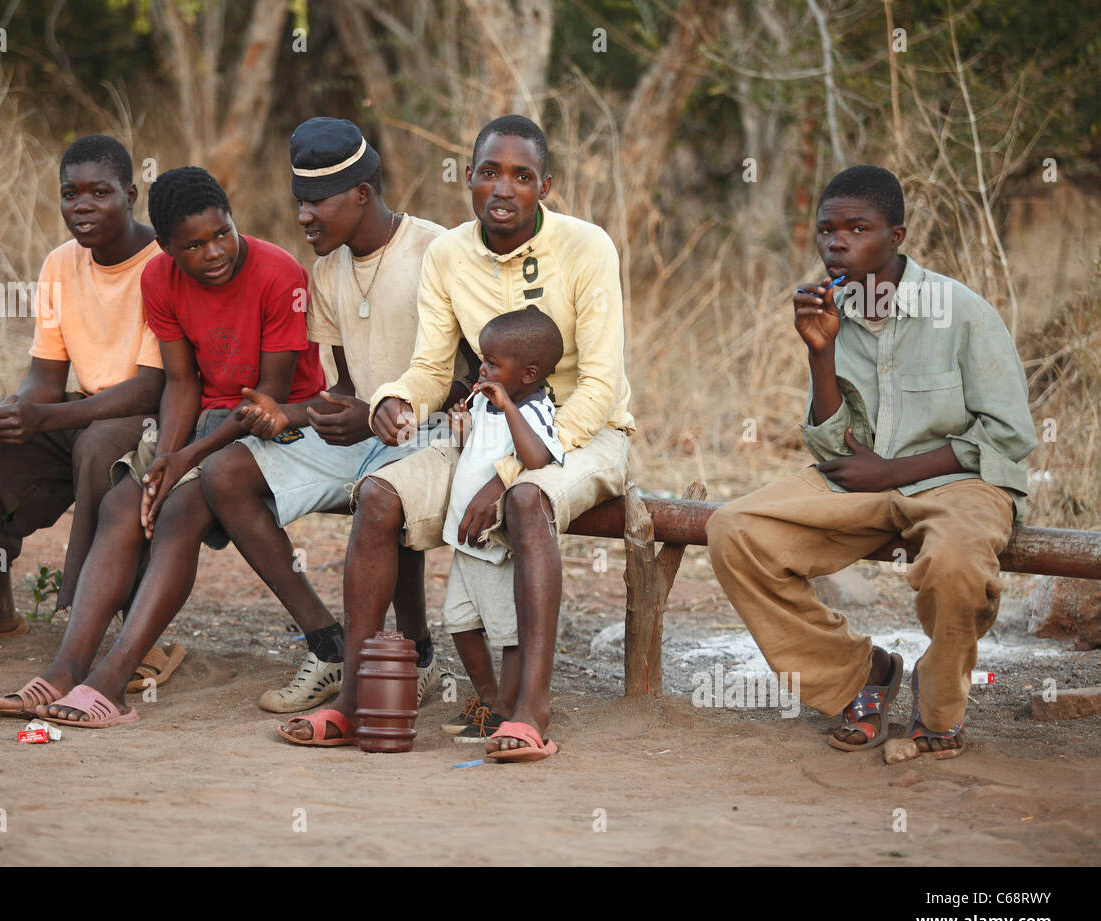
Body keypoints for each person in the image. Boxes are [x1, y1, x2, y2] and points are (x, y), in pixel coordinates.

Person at [279, 115, 635, 760]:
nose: (504, 189)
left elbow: (601, 387)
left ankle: (530, 709)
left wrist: (507, 479)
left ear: (545, 186)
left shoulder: (588, 247)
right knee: (381, 492)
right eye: (490, 172)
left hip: (587, 434)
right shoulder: (448, 255)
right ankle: (356, 699)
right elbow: (432, 368)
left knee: (529, 501)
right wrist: (393, 400)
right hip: (487, 432)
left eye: (522, 176)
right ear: (468, 179)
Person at [707, 164, 1037, 758]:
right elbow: (834, 450)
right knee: (733, 530)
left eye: (858, 228)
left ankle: (938, 711)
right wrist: (821, 352)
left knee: (957, 563)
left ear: (897, 236)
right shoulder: (831, 310)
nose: (837, 242)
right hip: (862, 485)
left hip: (960, 484)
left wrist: (894, 472)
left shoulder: (961, 312)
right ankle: (861, 677)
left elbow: (1009, 436)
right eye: (827, 229)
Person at [0, 165, 323, 726]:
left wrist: (186, 460)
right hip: (202, 420)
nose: (214, 252)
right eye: (193, 245)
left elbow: (269, 397)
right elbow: (183, 383)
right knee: (126, 502)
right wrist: (164, 459)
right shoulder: (159, 279)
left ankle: (112, 683)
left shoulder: (278, 272)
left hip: (276, 421)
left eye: (222, 234)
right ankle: (65, 670)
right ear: (165, 248)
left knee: (181, 510)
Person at [199, 117, 468, 714]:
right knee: (225, 474)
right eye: (300, 202)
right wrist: (300, 413)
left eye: (317, 201)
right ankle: (329, 646)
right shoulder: (327, 271)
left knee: (383, 490)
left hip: (435, 430)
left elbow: (471, 379)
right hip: (368, 434)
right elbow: (346, 385)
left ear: (362, 194)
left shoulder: (436, 250)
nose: (303, 216)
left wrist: (376, 413)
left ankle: (412, 659)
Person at [0, 135, 172, 682]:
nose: (83, 206)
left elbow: (149, 388)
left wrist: (47, 416)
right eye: (71, 194)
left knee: (99, 450)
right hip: (84, 410)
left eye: (100, 192)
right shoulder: (60, 264)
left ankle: (135, 635)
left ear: (131, 194)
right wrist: (9, 410)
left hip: (152, 417)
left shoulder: (162, 263)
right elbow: (46, 376)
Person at [438, 309, 565, 757]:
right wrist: (461, 428)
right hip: (464, 541)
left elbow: (535, 459)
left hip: (497, 547)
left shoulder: (535, 408)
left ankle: (509, 707)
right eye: (482, 361)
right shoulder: (482, 400)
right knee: (458, 622)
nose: (482, 371)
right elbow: (475, 451)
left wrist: (508, 407)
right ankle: (490, 698)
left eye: (492, 363)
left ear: (528, 374)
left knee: (505, 632)